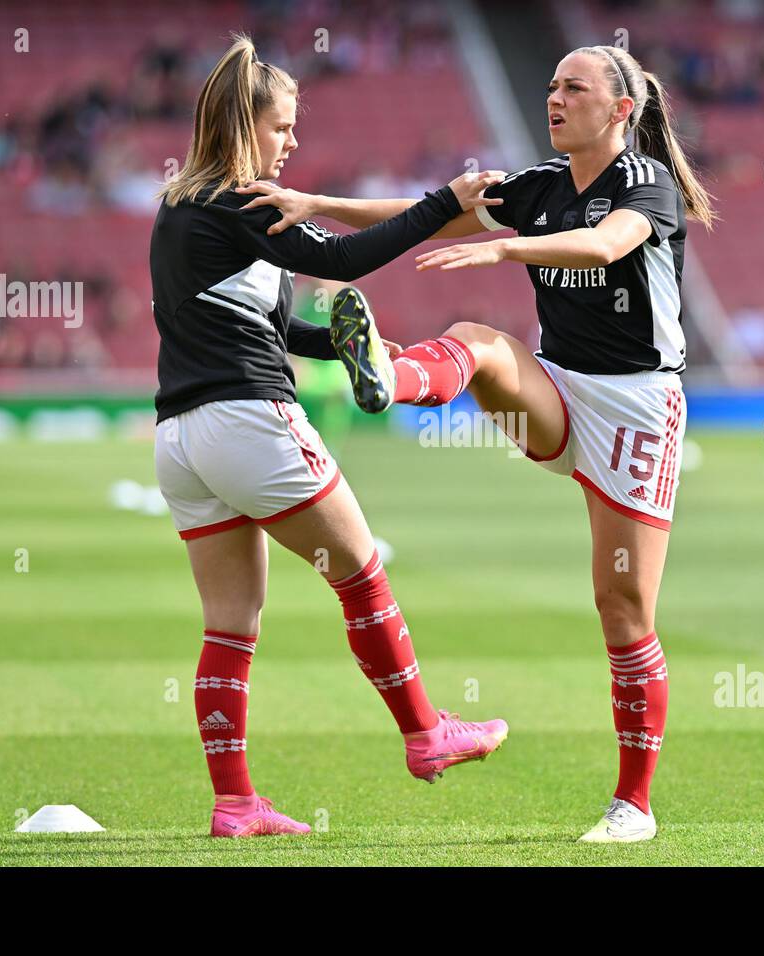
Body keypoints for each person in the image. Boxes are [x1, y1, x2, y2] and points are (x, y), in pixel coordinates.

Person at [241, 45, 715, 842]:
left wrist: (504, 246)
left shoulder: (646, 183)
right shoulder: (538, 187)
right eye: (551, 84)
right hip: (558, 392)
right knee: (481, 341)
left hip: (637, 407)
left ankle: (633, 805)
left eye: (575, 87)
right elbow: (422, 211)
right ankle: (389, 377)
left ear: (621, 109)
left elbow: (606, 246)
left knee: (622, 609)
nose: (555, 97)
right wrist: (312, 200)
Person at [150, 34, 508, 838]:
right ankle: (426, 733)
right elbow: (345, 255)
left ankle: (236, 803)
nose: (293, 141)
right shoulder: (241, 200)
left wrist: (353, 348)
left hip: (181, 438)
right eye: (283, 127)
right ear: (247, 125)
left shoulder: (183, 205)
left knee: (230, 625)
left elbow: (275, 328)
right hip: (249, 419)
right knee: (362, 574)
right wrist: (445, 202)